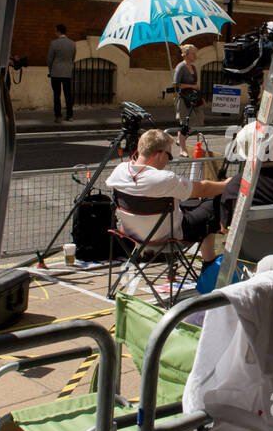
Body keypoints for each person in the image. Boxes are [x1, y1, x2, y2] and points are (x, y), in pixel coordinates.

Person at [105, 128, 229, 263]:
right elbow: (202, 189)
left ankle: (208, 257)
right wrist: (227, 185)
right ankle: (209, 261)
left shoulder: (120, 170)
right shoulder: (164, 179)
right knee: (213, 203)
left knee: (194, 205)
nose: (168, 161)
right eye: (169, 156)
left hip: (132, 235)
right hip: (169, 237)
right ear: (160, 154)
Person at [172, 43, 204, 153]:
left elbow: (195, 85)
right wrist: (191, 86)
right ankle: (183, 149)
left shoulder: (194, 67)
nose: (195, 56)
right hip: (183, 98)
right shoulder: (180, 67)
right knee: (185, 123)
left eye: (195, 53)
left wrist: (201, 97)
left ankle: (180, 139)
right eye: (193, 53)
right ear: (185, 55)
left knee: (198, 121)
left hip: (193, 98)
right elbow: (176, 85)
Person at [46, 23, 76, 123]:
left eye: (55, 31)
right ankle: (70, 115)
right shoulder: (72, 43)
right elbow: (72, 58)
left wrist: (50, 70)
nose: (55, 33)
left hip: (56, 72)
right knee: (68, 95)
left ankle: (58, 116)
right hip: (67, 73)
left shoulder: (53, 43)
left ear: (58, 31)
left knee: (57, 95)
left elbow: (50, 59)